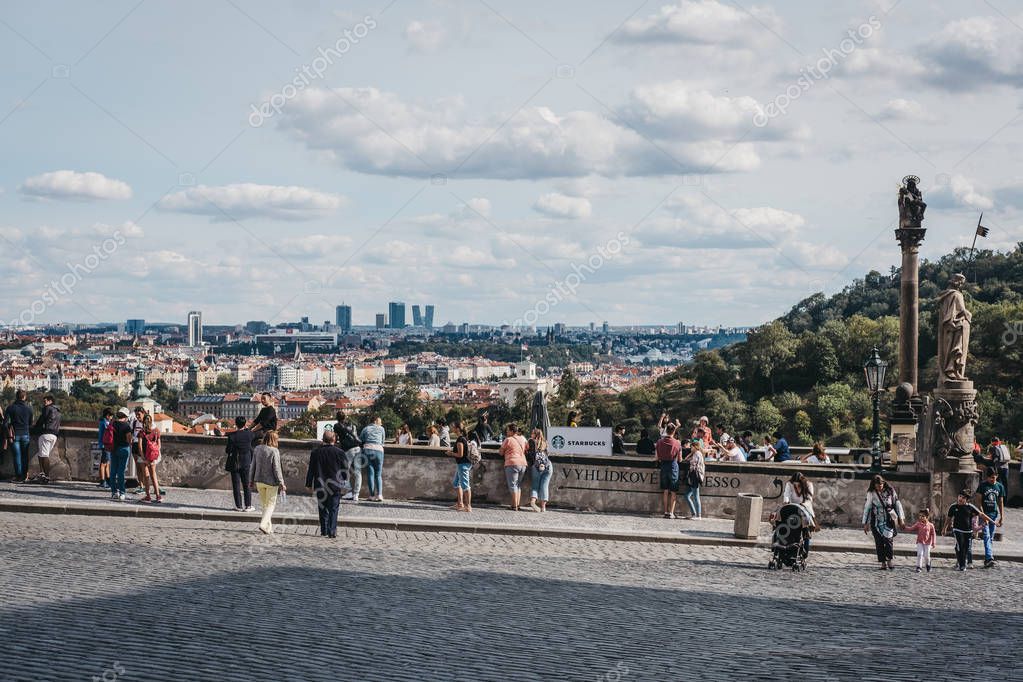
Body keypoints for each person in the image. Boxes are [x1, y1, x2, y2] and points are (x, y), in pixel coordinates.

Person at [305, 430, 347, 538]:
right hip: (335, 484)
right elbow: (345, 469)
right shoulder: (340, 452)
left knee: (322, 508)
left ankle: (324, 530)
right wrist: (344, 480)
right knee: (333, 508)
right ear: (334, 439)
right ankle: (332, 531)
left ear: (322, 439)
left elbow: (311, 470)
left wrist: (309, 483)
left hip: (320, 484)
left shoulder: (315, 452)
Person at [943, 489, 993, 571]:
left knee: (966, 548)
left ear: (967, 500)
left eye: (963, 497)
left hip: (968, 531)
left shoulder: (970, 507)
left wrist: (993, 522)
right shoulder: (953, 507)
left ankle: (961, 562)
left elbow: (981, 514)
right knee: (960, 546)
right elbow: (948, 518)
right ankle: (962, 565)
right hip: (957, 530)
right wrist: (944, 528)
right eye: (959, 496)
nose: (960, 499)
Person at [862, 474, 904, 570]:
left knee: (888, 541)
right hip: (876, 521)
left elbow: (897, 504)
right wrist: (865, 523)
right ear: (873, 485)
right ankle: (883, 563)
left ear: (883, 483)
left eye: (880, 485)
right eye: (876, 486)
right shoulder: (871, 493)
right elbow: (867, 508)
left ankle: (889, 560)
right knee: (879, 542)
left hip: (888, 520)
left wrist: (901, 519)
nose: (879, 488)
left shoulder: (891, 491)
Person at [250, 430, 285, 534]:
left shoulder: (257, 449)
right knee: (270, 505)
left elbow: (253, 466)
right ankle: (263, 524)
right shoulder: (274, 451)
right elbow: (277, 469)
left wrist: (250, 480)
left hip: (259, 481)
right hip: (271, 482)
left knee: (264, 505)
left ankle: (268, 528)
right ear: (274, 440)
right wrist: (281, 482)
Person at [976, 467, 1006, 568]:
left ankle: (987, 559)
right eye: (991, 478)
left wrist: (1002, 516)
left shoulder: (1000, 487)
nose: (993, 480)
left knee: (990, 538)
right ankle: (989, 557)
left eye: (995, 477)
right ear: (987, 477)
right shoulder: (982, 486)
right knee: (986, 536)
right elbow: (978, 502)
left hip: (994, 515)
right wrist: (983, 515)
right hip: (984, 515)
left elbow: (1000, 502)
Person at [28, 395, 61, 483]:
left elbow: (41, 420)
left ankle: (46, 476)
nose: (44, 403)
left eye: (45, 401)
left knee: (44, 455)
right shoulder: (58, 411)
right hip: (54, 435)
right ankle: (42, 474)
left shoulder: (47, 408)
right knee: (41, 454)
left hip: (46, 434)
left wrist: (34, 428)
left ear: (50, 401)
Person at [225, 416, 255, 511]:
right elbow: (252, 434)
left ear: (236, 424)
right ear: (245, 424)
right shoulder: (249, 434)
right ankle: (248, 506)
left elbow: (228, 450)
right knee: (247, 484)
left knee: (236, 485)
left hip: (235, 462)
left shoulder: (232, 436)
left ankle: (238, 506)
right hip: (246, 462)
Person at [498, 423, 528, 511]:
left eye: (507, 430)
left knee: (513, 485)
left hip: (512, 463)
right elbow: (527, 448)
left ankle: (514, 506)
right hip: (523, 463)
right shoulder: (523, 438)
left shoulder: (508, 440)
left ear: (511, 431)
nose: (506, 432)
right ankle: (517, 505)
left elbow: (501, 452)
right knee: (518, 485)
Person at [5, 390, 32, 483]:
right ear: (24, 397)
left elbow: (5, 423)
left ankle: (19, 476)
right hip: (25, 434)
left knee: (17, 456)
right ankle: (25, 476)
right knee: (25, 456)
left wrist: (10, 428)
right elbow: (30, 423)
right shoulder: (29, 408)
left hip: (14, 435)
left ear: (16, 397)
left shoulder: (11, 408)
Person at [655, 424, 682, 519]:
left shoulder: (659, 442)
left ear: (666, 430)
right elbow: (680, 459)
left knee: (665, 491)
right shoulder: (677, 443)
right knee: (673, 491)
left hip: (663, 466)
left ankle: (665, 511)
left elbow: (657, 457)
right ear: (674, 431)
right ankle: (671, 513)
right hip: (673, 466)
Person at [335, 413, 363, 503]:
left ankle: (349, 491)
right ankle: (356, 494)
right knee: (358, 472)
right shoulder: (351, 424)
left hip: (348, 449)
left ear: (337, 418)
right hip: (358, 448)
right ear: (345, 417)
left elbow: (335, 437)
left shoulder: (337, 425)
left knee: (344, 470)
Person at [108, 409, 134, 501]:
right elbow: (129, 440)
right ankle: (122, 493)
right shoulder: (126, 426)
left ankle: (114, 492)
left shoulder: (112, 423)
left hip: (113, 448)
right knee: (121, 472)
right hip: (123, 449)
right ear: (126, 417)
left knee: (113, 471)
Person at [360, 415, 386, 502]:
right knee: (378, 474)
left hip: (367, 450)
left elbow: (361, 439)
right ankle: (379, 495)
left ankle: (371, 495)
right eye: (379, 420)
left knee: (370, 474)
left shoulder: (365, 429)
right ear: (375, 421)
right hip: (378, 450)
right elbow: (383, 441)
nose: (380, 422)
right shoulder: (381, 429)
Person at [526, 428, 552, 512]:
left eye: (532, 433)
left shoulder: (531, 441)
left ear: (535, 435)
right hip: (547, 466)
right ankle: (543, 507)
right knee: (545, 486)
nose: (531, 435)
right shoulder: (545, 442)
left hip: (536, 466)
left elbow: (527, 452)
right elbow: (548, 454)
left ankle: (533, 502)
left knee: (535, 486)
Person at [902, 508, 936, 573]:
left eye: (923, 516)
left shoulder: (931, 525)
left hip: (928, 543)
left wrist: (933, 543)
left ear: (927, 517)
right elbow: (911, 528)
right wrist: (905, 527)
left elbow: (933, 534)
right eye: (920, 516)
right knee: (920, 554)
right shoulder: (918, 524)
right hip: (920, 542)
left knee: (926, 555)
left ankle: (928, 565)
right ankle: (919, 567)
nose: (921, 517)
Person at [138, 414, 163, 504]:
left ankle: (148, 496)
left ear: (143, 422)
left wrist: (144, 458)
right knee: (153, 476)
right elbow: (159, 445)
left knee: (146, 477)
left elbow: (140, 446)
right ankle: (158, 496)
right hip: (153, 457)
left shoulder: (142, 432)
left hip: (144, 457)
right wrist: (154, 456)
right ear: (152, 421)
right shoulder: (156, 431)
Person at [448, 421, 472, 512]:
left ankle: (468, 506)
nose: (452, 428)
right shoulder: (463, 438)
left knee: (465, 486)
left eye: (453, 427)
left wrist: (451, 453)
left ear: (457, 429)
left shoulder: (460, 440)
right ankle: (460, 504)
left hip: (463, 465)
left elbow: (460, 454)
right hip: (462, 464)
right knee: (456, 483)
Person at [683, 440, 706, 520]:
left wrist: (691, 455)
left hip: (695, 477)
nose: (690, 448)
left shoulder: (697, 454)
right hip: (692, 477)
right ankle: (694, 514)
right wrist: (691, 453)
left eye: (691, 447)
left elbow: (691, 462)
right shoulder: (696, 453)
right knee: (686, 496)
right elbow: (686, 459)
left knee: (696, 497)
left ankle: (698, 516)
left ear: (695, 447)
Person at [128, 407, 147, 494]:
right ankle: (141, 485)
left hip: (143, 446)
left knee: (145, 468)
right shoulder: (134, 422)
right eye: (136, 415)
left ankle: (147, 486)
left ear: (143, 413)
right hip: (135, 445)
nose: (137, 416)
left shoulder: (147, 422)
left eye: (139, 414)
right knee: (138, 467)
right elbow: (131, 433)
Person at [97, 408, 113, 489]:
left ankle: (107, 481)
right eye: (111, 416)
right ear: (107, 416)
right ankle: (103, 481)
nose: (111, 418)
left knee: (106, 463)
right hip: (105, 445)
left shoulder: (102, 422)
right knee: (104, 463)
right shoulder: (105, 423)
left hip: (104, 445)